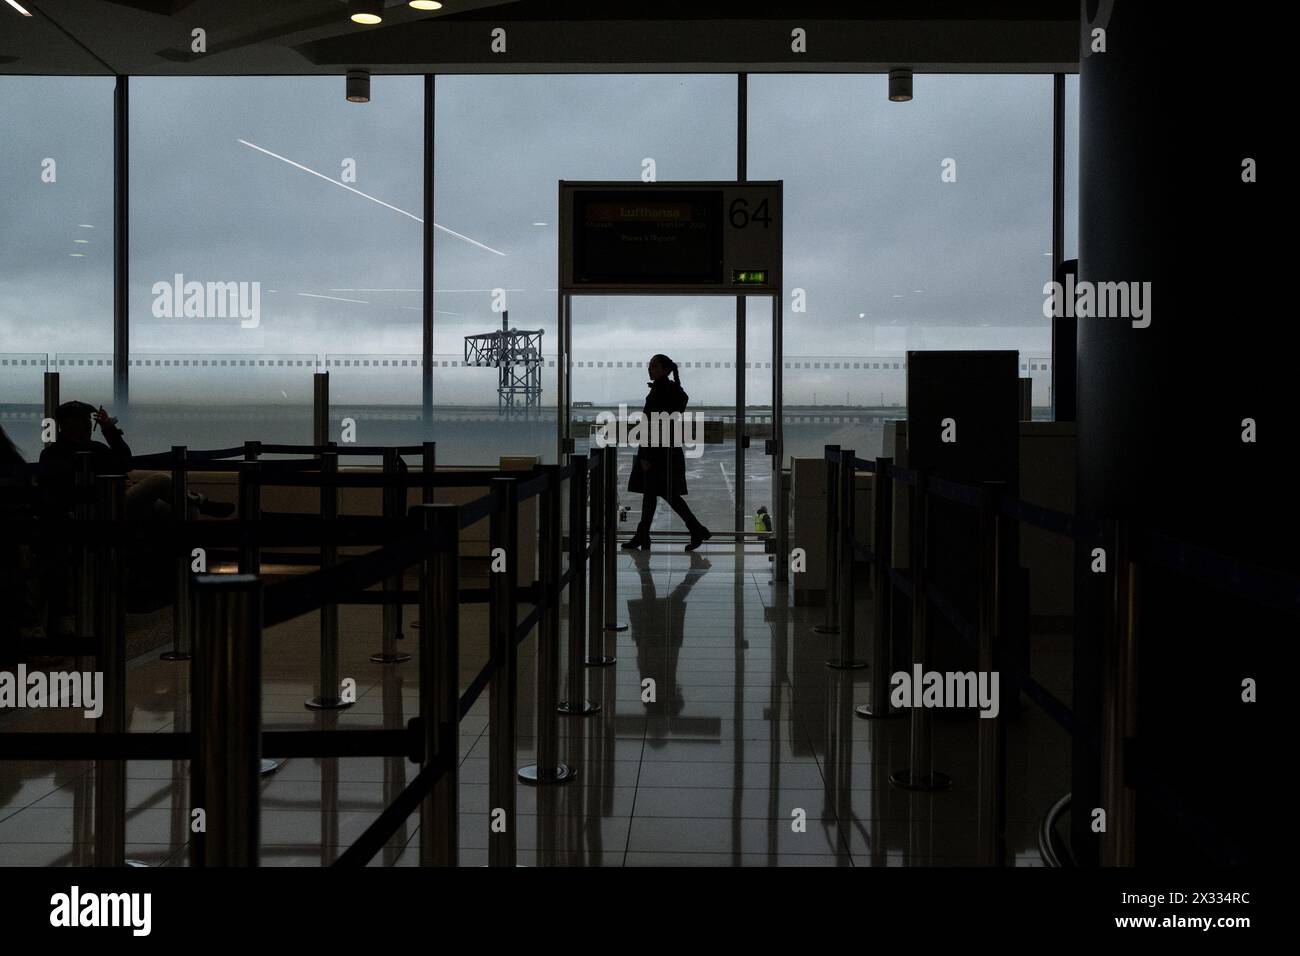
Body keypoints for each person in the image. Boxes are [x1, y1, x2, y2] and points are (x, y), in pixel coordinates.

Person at [623, 353, 712, 552]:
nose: (650, 369)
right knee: (659, 494)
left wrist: (645, 454)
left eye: (654, 366)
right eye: (650, 366)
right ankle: (647, 535)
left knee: (657, 494)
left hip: (655, 451)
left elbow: (651, 424)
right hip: (667, 450)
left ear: (665, 370)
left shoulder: (659, 391)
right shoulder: (673, 390)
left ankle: (692, 530)